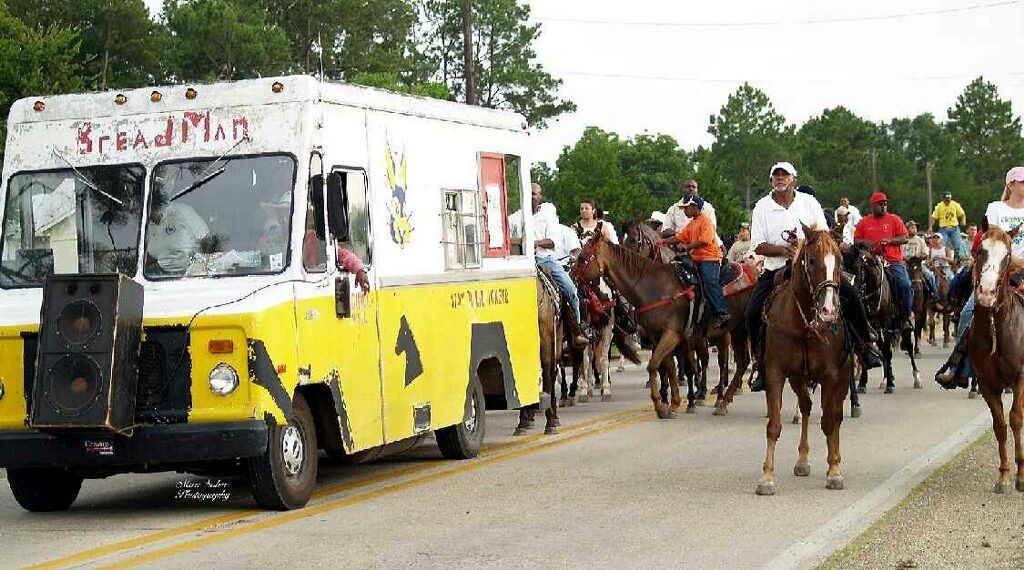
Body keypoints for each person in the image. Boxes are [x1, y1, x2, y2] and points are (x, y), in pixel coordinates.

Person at [746, 161, 878, 392]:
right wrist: (783, 250)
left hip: (814, 266)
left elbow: (824, 235)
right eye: (776, 175)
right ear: (771, 180)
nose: (780, 178)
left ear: (793, 179)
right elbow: (758, 245)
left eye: (784, 175)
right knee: (752, 311)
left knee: (850, 294)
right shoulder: (762, 207)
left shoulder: (808, 202)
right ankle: (761, 363)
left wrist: (806, 248)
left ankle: (864, 346)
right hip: (777, 268)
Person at [937, 166, 1024, 388]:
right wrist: (1012, 260)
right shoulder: (995, 208)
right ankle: (959, 368)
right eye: (1022, 182)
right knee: (969, 312)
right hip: (996, 269)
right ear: (1011, 184)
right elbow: (992, 236)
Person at [530, 183, 590, 347]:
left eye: (534, 194)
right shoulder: (517, 217)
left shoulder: (557, 225)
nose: (531, 196)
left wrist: (533, 243)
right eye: (528, 193)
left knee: (571, 290)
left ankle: (577, 329)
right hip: (524, 262)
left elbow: (555, 243)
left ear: (540, 197)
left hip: (547, 261)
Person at [658, 195, 729, 331]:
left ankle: (722, 312)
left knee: (709, 282)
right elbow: (679, 237)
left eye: (686, 208)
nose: (684, 211)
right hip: (696, 258)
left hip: (710, 258)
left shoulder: (706, 221)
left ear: (695, 207)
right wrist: (663, 241)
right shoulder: (692, 223)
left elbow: (705, 240)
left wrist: (687, 247)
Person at [853, 192, 914, 350]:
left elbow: (904, 237)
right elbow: (856, 240)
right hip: (870, 261)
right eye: (880, 204)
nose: (883, 206)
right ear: (873, 206)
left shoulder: (894, 219)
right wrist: (864, 242)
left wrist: (891, 240)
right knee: (855, 283)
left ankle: (906, 318)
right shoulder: (864, 222)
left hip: (892, 261)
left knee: (905, 285)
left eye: (885, 203)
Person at [146, 199, 211, 275]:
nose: (135, 210)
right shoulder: (144, 227)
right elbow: (149, 257)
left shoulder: (181, 211)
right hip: (160, 276)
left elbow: (207, 241)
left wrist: (201, 268)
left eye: (136, 206)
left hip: (193, 273)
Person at [902, 221, 938, 302]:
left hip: (918, 264)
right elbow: (900, 253)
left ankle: (934, 297)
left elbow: (925, 253)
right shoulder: (902, 240)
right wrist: (905, 258)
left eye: (915, 227)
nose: (914, 229)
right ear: (907, 229)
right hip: (906, 264)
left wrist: (920, 255)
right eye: (912, 227)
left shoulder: (920, 240)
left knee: (930, 276)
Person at [928, 191, 966, 262]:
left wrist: (963, 220)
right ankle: (941, 260)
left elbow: (962, 214)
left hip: (954, 227)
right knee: (941, 245)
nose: (948, 201)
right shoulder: (939, 206)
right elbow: (933, 217)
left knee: (958, 245)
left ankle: (957, 260)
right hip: (943, 229)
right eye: (946, 199)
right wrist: (930, 227)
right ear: (943, 199)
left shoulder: (955, 204)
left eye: (949, 199)